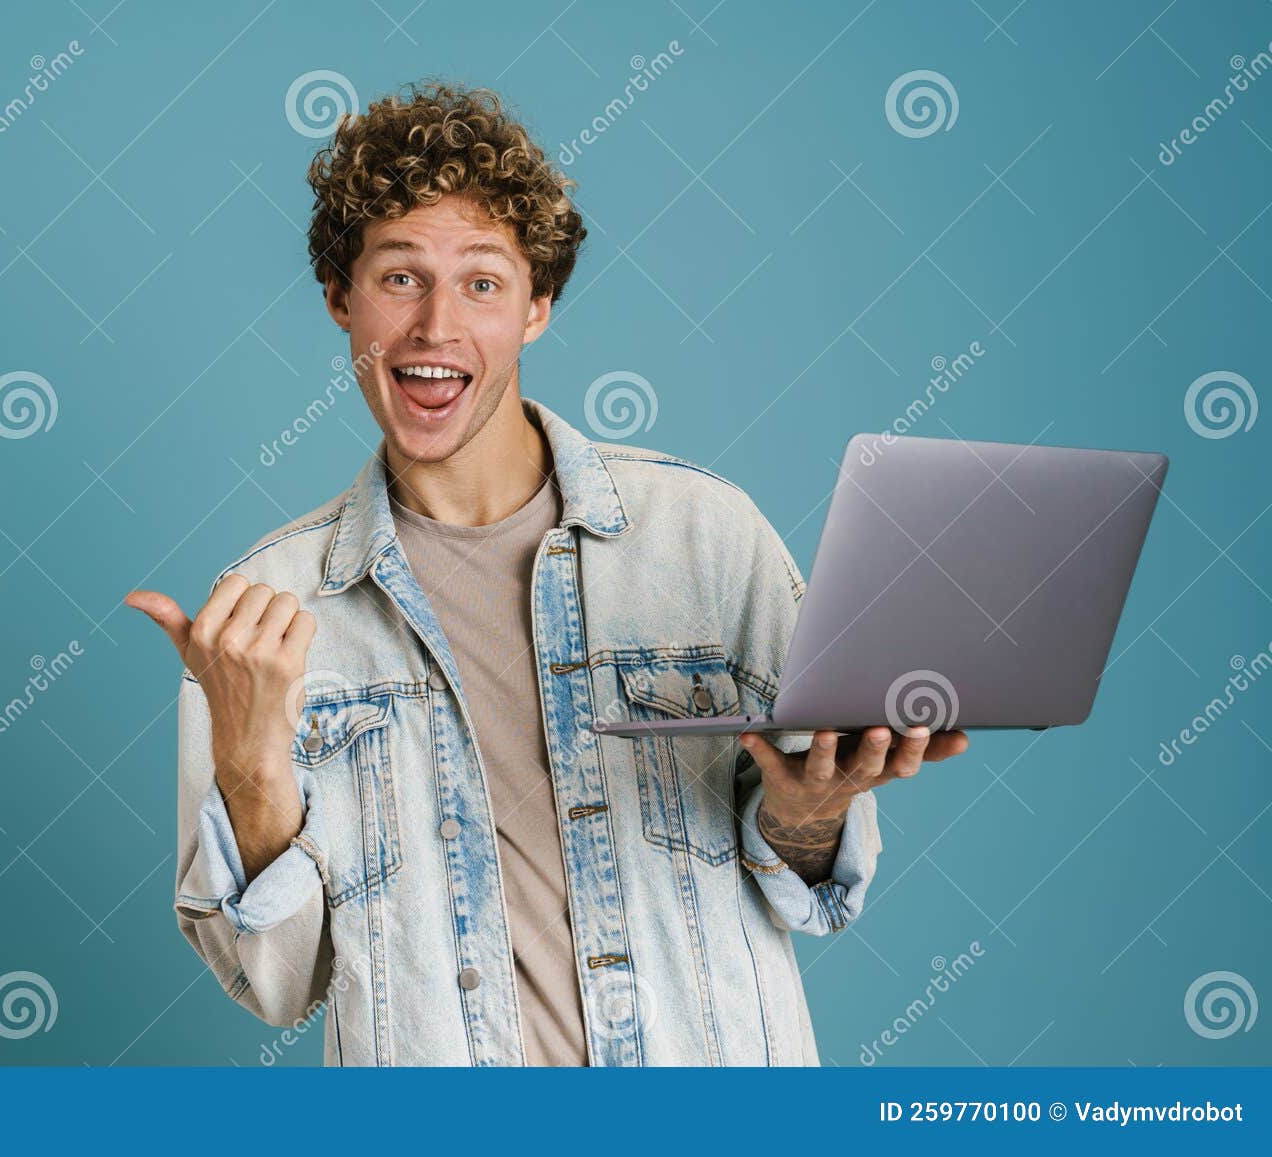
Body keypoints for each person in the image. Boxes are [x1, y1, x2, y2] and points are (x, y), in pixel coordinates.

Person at [126, 80, 968, 1066]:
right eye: (399, 277)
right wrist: (251, 760)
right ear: (338, 298)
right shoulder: (263, 613)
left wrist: (811, 814)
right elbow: (276, 981)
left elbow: (805, 882)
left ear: (537, 306)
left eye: (481, 282)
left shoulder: (709, 536)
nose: (435, 326)